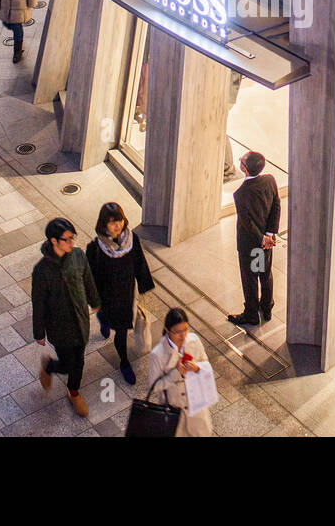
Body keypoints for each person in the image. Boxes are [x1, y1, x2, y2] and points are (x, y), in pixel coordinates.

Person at [31, 217, 100, 417]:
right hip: (59, 327)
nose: (72, 243)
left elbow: (88, 280)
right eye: (67, 239)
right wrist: (39, 332)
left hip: (80, 321)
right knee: (71, 363)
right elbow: (39, 303)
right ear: (54, 241)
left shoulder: (78, 256)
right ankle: (51, 367)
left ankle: (73, 391)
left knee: (78, 360)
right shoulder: (42, 271)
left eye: (73, 238)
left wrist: (95, 301)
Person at [85, 202, 154, 385]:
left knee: (122, 330)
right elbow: (90, 278)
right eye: (112, 222)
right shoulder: (95, 249)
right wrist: (94, 302)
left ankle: (123, 360)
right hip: (107, 298)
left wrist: (144, 286)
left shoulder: (132, 240)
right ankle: (124, 361)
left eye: (120, 220)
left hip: (126, 295)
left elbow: (140, 264)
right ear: (103, 224)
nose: (118, 226)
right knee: (116, 327)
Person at [226, 150, 282, 328]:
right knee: (265, 274)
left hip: (250, 245)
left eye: (241, 161)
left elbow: (247, 224)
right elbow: (276, 205)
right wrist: (268, 234)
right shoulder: (270, 181)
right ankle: (266, 307)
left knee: (250, 278)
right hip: (265, 242)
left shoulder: (241, 194)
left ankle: (251, 313)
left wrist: (260, 239)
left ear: (244, 168)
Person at [145, 307, 213, 437]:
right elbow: (154, 387)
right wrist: (175, 375)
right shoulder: (158, 354)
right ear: (167, 330)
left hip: (197, 409)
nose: (183, 336)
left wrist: (197, 368)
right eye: (177, 332)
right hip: (174, 413)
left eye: (185, 330)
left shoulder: (194, 341)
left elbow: (206, 364)